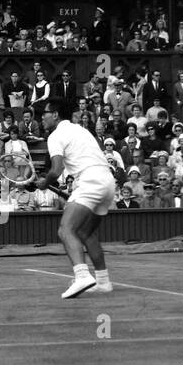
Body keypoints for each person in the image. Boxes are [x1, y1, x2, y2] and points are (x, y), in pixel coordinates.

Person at [36, 98, 116, 298]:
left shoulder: (55, 136)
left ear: (55, 114)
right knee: (85, 232)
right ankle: (103, 281)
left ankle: (82, 276)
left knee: (66, 230)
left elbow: (56, 170)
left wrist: (45, 183)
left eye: (44, 113)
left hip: (89, 181)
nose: (42, 117)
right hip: (107, 181)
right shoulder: (82, 130)